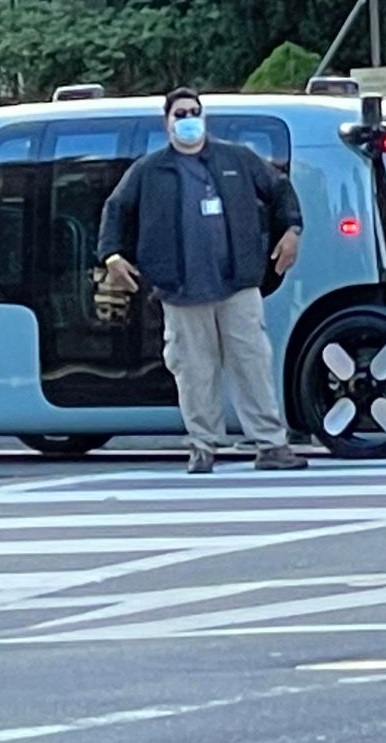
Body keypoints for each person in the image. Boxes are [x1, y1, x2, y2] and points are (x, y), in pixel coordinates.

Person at [98, 88, 307, 474]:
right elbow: (116, 210)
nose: (188, 119)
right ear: (167, 122)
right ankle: (202, 446)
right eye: (180, 114)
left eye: (194, 112)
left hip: (238, 284)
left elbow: (280, 190)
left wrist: (291, 231)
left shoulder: (236, 159)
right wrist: (112, 255)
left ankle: (272, 445)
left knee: (253, 363)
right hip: (180, 290)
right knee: (194, 372)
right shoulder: (149, 170)